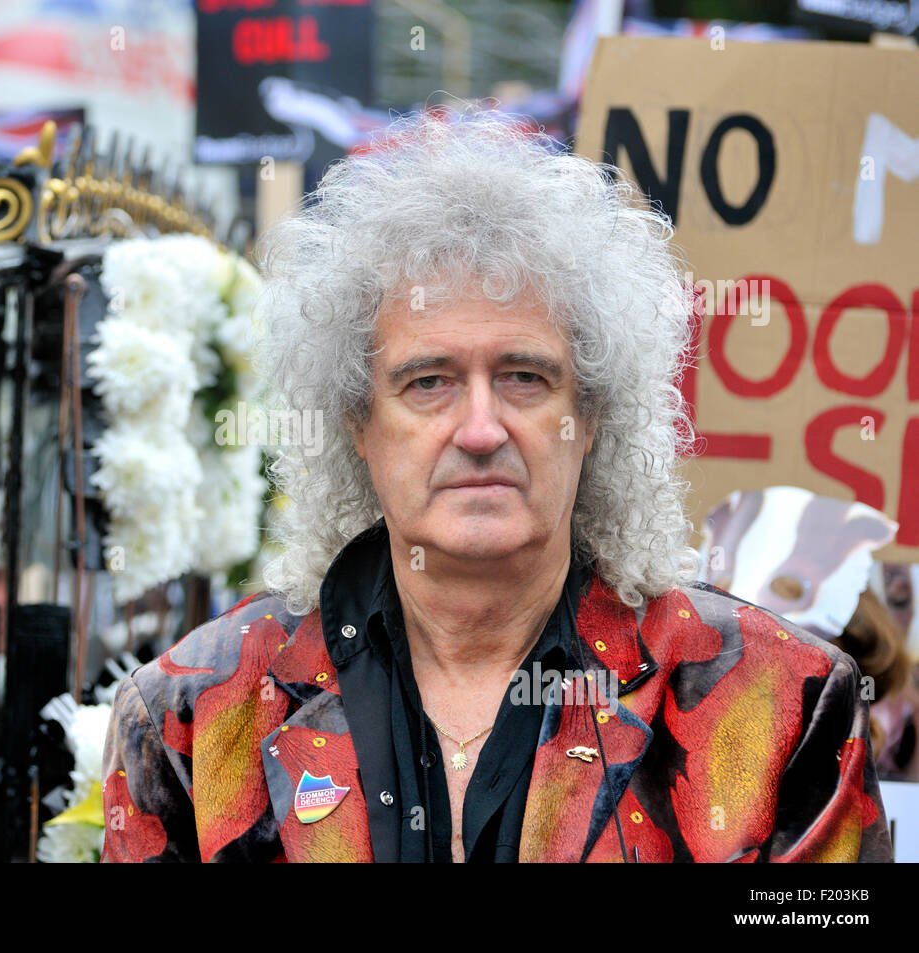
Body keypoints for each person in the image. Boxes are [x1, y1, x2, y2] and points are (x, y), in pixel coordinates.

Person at [99, 106, 892, 862]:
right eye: (428, 382)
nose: (480, 430)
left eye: (524, 377)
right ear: (357, 425)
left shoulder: (785, 699)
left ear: (591, 413)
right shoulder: (191, 714)